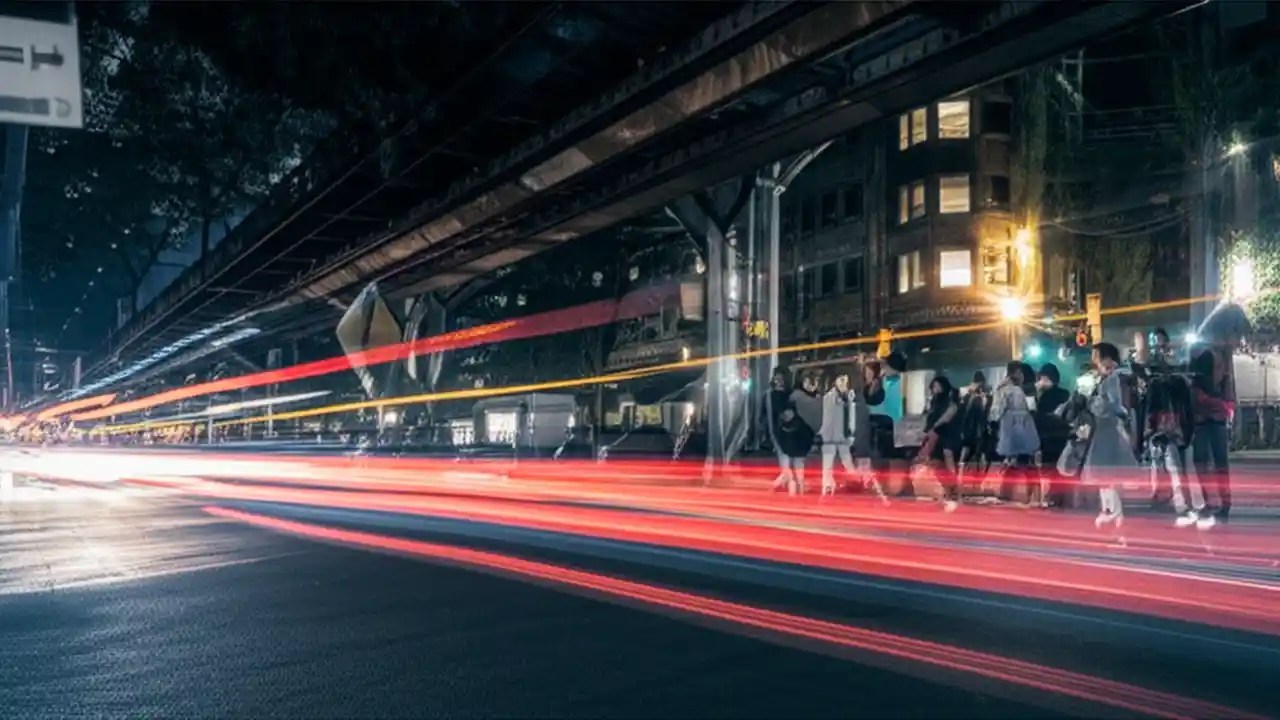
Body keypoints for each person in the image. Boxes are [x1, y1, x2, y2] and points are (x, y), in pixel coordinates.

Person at [1082, 342, 1138, 530]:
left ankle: (1113, 512)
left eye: (1095, 354)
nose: (1093, 359)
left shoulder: (1113, 378)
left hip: (1109, 429)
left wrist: (1093, 402)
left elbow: (1116, 405)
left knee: (1106, 473)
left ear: (1106, 357)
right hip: (1105, 429)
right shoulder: (1110, 377)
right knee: (1104, 474)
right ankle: (1110, 511)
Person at [1191, 347, 1233, 527]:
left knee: (1214, 463)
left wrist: (1216, 405)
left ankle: (1219, 501)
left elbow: (1228, 402)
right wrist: (1219, 405)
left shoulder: (1222, 381)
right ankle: (1216, 501)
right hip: (1209, 424)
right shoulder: (1201, 382)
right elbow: (1201, 401)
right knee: (1208, 463)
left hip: (1211, 424)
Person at [990, 361, 1040, 503]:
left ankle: (1008, 494)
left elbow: (995, 413)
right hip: (1019, 432)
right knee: (1023, 464)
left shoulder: (1003, 388)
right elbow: (1020, 413)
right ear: (1017, 372)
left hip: (1011, 431)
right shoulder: (1013, 389)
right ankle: (1031, 494)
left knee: (1015, 463)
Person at [1034, 363, 1072, 507]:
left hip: (1047, 435)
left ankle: (1054, 495)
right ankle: (1060, 495)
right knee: (1060, 465)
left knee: (1050, 467)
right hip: (1061, 434)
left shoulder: (1042, 395)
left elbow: (1038, 414)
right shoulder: (1065, 394)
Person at [922, 375, 962, 511]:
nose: (935, 389)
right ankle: (948, 490)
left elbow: (948, 416)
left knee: (947, 458)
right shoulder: (933, 402)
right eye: (934, 386)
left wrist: (934, 426)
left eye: (938, 386)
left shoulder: (951, 402)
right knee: (935, 464)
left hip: (948, 434)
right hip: (936, 436)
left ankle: (954, 490)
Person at [818, 371, 857, 496]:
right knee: (829, 464)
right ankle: (828, 486)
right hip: (831, 436)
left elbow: (851, 416)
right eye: (841, 380)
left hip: (842, 435)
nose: (843, 384)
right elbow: (828, 418)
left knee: (847, 461)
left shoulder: (848, 397)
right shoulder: (830, 397)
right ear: (835, 382)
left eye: (845, 381)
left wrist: (850, 433)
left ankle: (854, 482)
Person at [774, 400, 815, 496]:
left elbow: (809, 436)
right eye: (785, 412)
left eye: (788, 411)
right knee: (792, 475)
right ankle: (794, 493)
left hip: (798, 453)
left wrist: (805, 449)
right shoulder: (784, 426)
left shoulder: (799, 424)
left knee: (798, 475)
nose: (787, 414)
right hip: (789, 453)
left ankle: (798, 492)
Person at [958, 371, 991, 482]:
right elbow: (982, 414)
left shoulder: (967, 395)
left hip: (968, 429)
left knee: (966, 451)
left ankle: (961, 474)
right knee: (980, 453)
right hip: (978, 429)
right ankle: (978, 478)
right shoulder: (979, 397)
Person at [764, 368, 794, 492]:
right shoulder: (772, 394)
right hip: (777, 429)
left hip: (785, 429)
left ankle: (787, 480)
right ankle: (786, 480)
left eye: (781, 378)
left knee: (784, 455)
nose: (779, 381)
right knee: (783, 455)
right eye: (777, 378)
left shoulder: (783, 394)